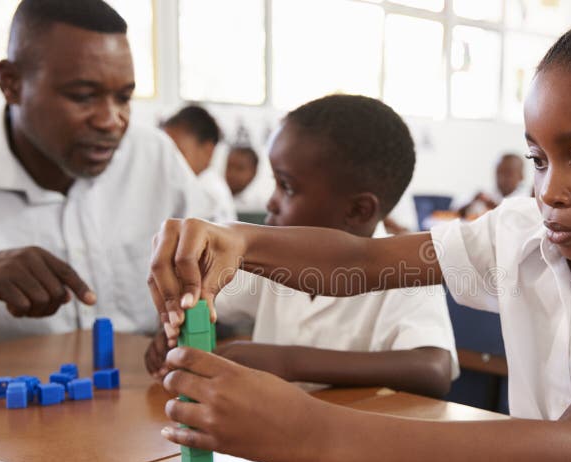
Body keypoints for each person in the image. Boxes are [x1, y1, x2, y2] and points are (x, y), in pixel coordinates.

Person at [148, 10, 571, 462]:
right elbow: (359, 266)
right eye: (537, 159)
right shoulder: (523, 230)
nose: (548, 190)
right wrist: (242, 240)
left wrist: (310, 430)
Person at [145, 95, 458, 397]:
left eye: (287, 187)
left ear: (357, 211)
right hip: (262, 436)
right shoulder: (270, 261)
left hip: (352, 443)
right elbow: (211, 300)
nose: (271, 201)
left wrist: (287, 361)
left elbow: (433, 369)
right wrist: (176, 331)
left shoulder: (405, 273)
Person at [0, 0, 212, 346]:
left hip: (146, 391)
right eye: (83, 96)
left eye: (124, 97)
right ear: (11, 84)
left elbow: (226, 271)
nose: (111, 120)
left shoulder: (152, 155)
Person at [162, 105, 235, 222]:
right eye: (164, 153)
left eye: (178, 154)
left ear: (207, 151)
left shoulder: (208, 193)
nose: (167, 162)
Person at [455, 153, 527, 218]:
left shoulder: (528, 198)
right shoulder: (485, 194)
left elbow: (517, 221)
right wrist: (472, 201)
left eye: (508, 173)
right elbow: (454, 214)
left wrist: (495, 208)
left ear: (521, 176)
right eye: (499, 173)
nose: (502, 178)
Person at [224, 144, 264, 214]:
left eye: (239, 168)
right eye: (229, 166)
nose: (232, 174)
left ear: (254, 172)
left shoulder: (258, 207)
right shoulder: (215, 198)